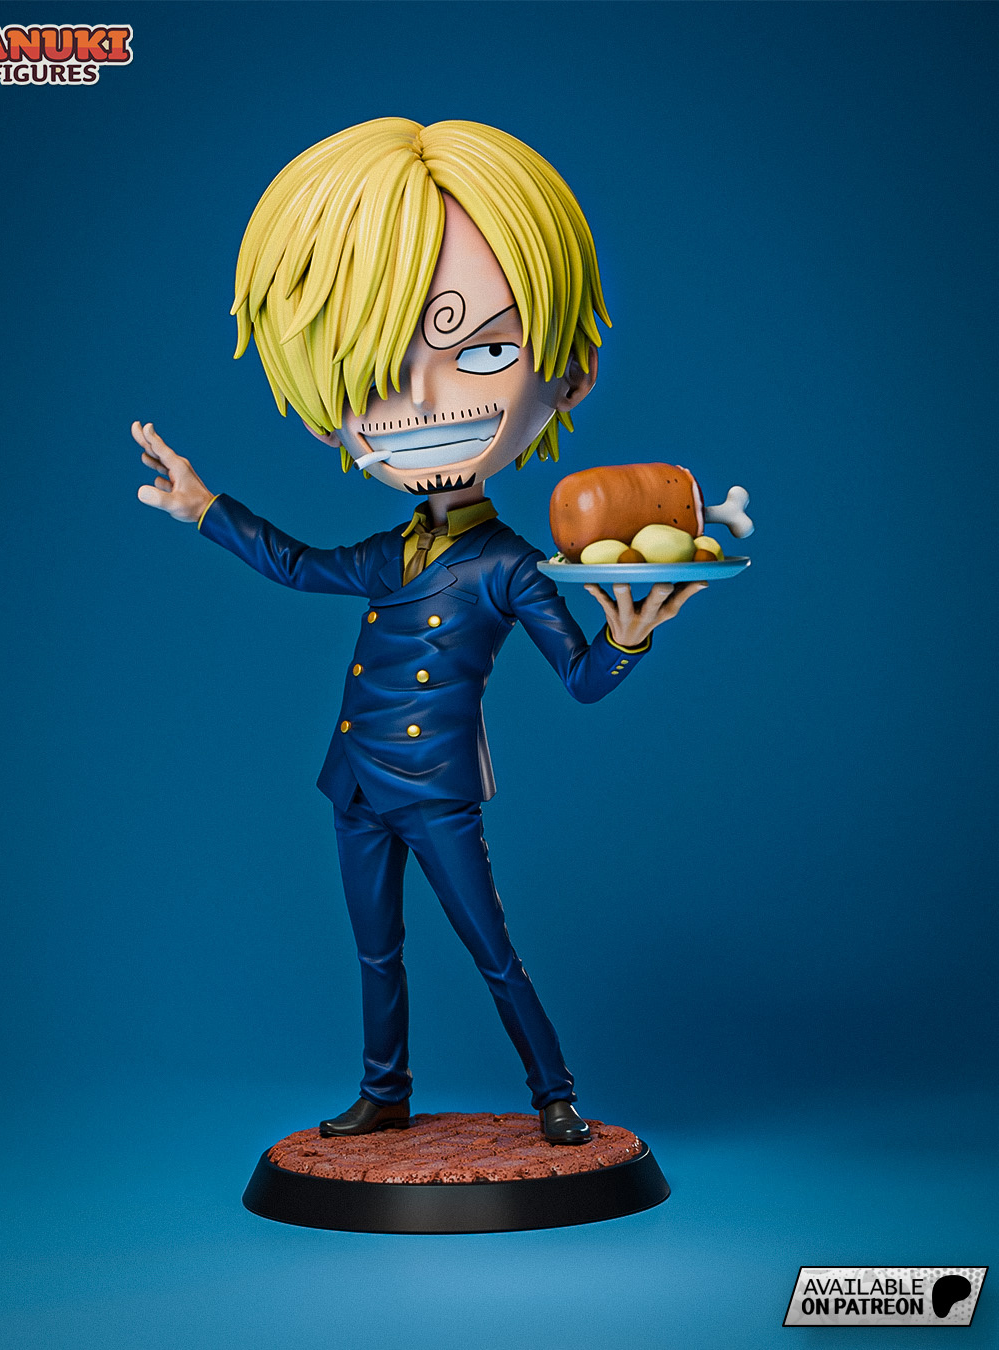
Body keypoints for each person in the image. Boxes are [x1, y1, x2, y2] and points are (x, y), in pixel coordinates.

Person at [135, 118, 704, 1144]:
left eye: (483, 350)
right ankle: (384, 1090)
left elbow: (580, 680)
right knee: (375, 950)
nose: (425, 402)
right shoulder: (383, 553)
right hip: (354, 780)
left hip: (437, 786)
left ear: (568, 374)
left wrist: (630, 633)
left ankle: (555, 1094)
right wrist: (206, 507)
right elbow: (297, 564)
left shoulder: (511, 565)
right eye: (376, 375)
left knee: (492, 949)